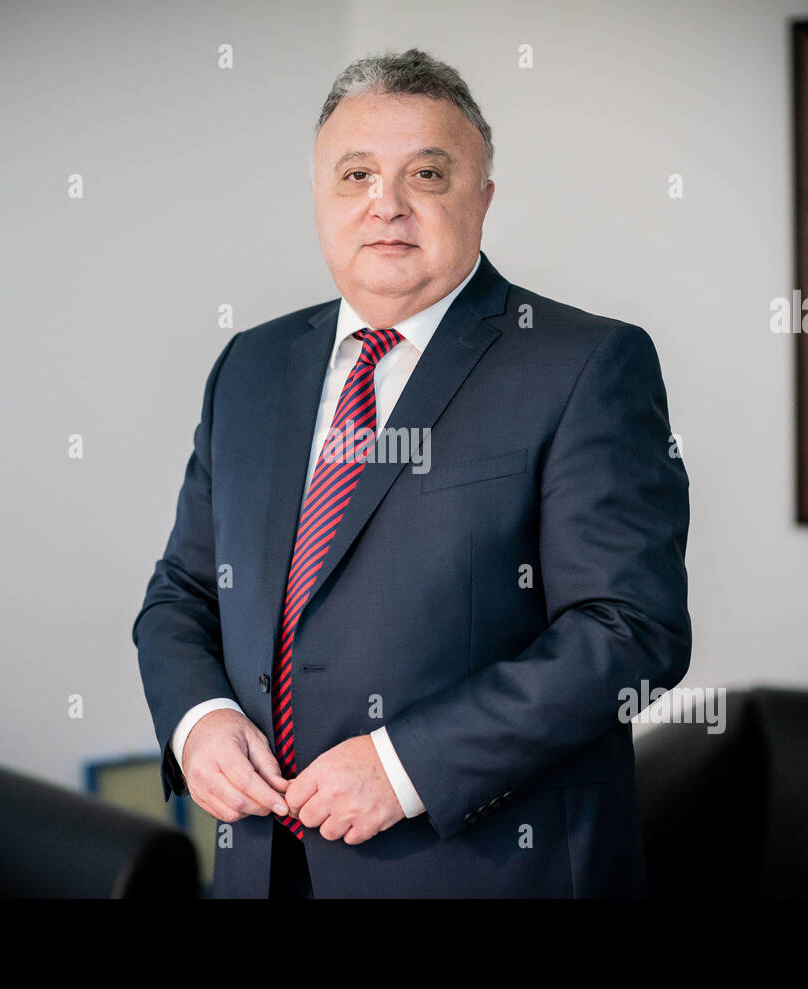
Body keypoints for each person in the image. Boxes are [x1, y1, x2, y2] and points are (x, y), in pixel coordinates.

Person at [132, 48, 692, 898]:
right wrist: (199, 721)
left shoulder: (586, 363)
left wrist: (405, 765)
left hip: (488, 870)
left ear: (483, 198)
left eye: (427, 173)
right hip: (260, 867)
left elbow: (631, 631)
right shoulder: (248, 366)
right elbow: (181, 590)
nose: (384, 204)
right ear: (319, 197)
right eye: (354, 174)